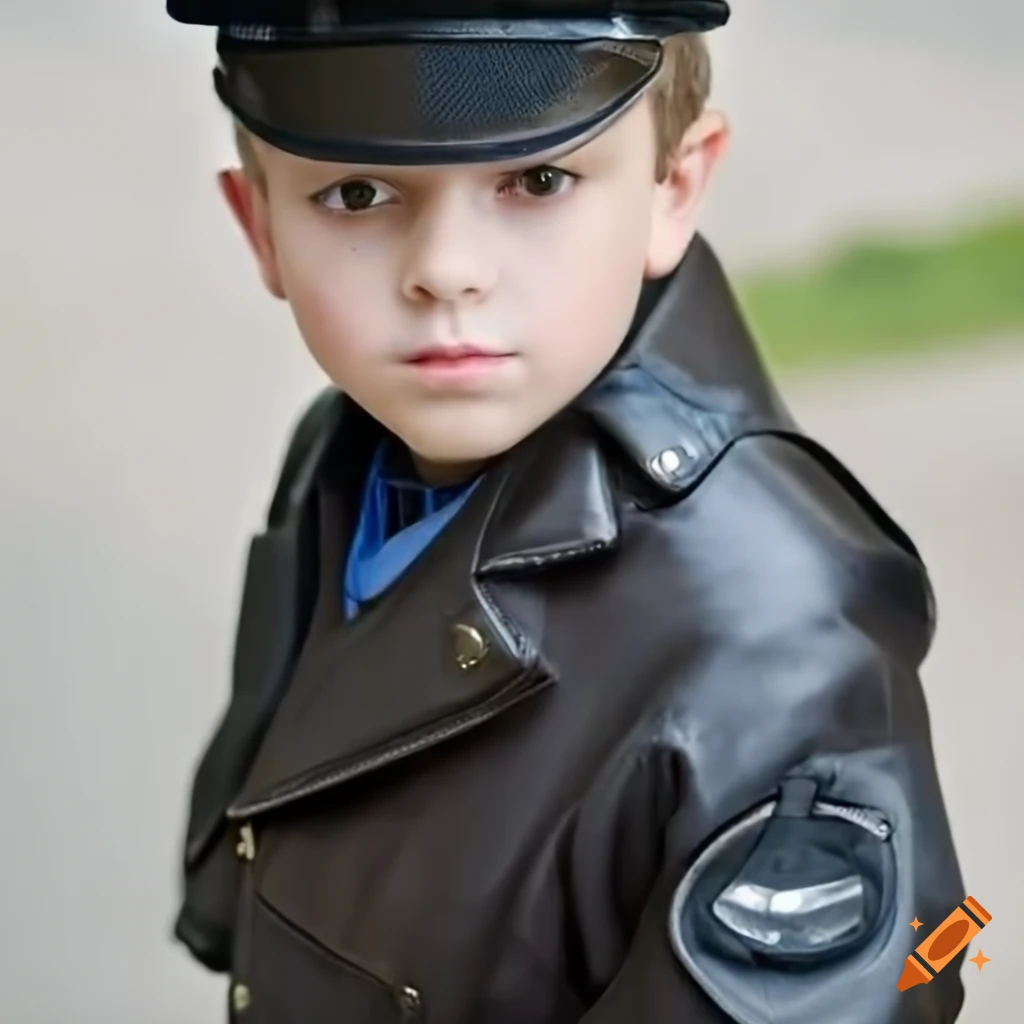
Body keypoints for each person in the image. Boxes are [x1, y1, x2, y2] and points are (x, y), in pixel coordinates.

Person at [166, 2, 967, 1021]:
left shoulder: (775, 636)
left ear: (673, 185)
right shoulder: (345, 444)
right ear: (260, 226)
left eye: (538, 180)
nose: (446, 269)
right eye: (357, 192)